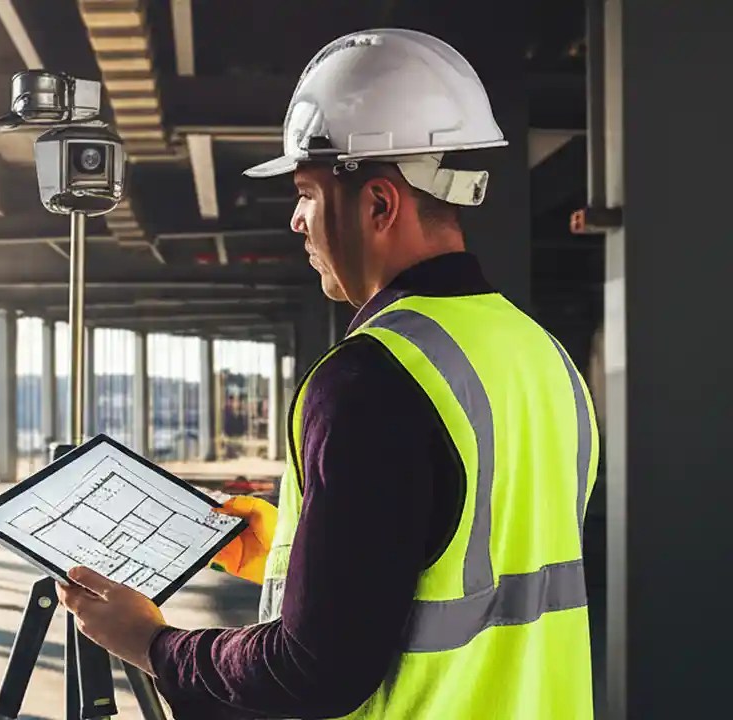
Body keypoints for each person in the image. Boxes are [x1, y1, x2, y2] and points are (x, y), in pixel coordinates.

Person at [57, 28, 599, 719]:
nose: (296, 221)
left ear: (378, 204)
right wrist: (293, 551)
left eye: (308, 193)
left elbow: (311, 673)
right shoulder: (542, 356)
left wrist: (152, 643)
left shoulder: (369, 381)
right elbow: (467, 563)